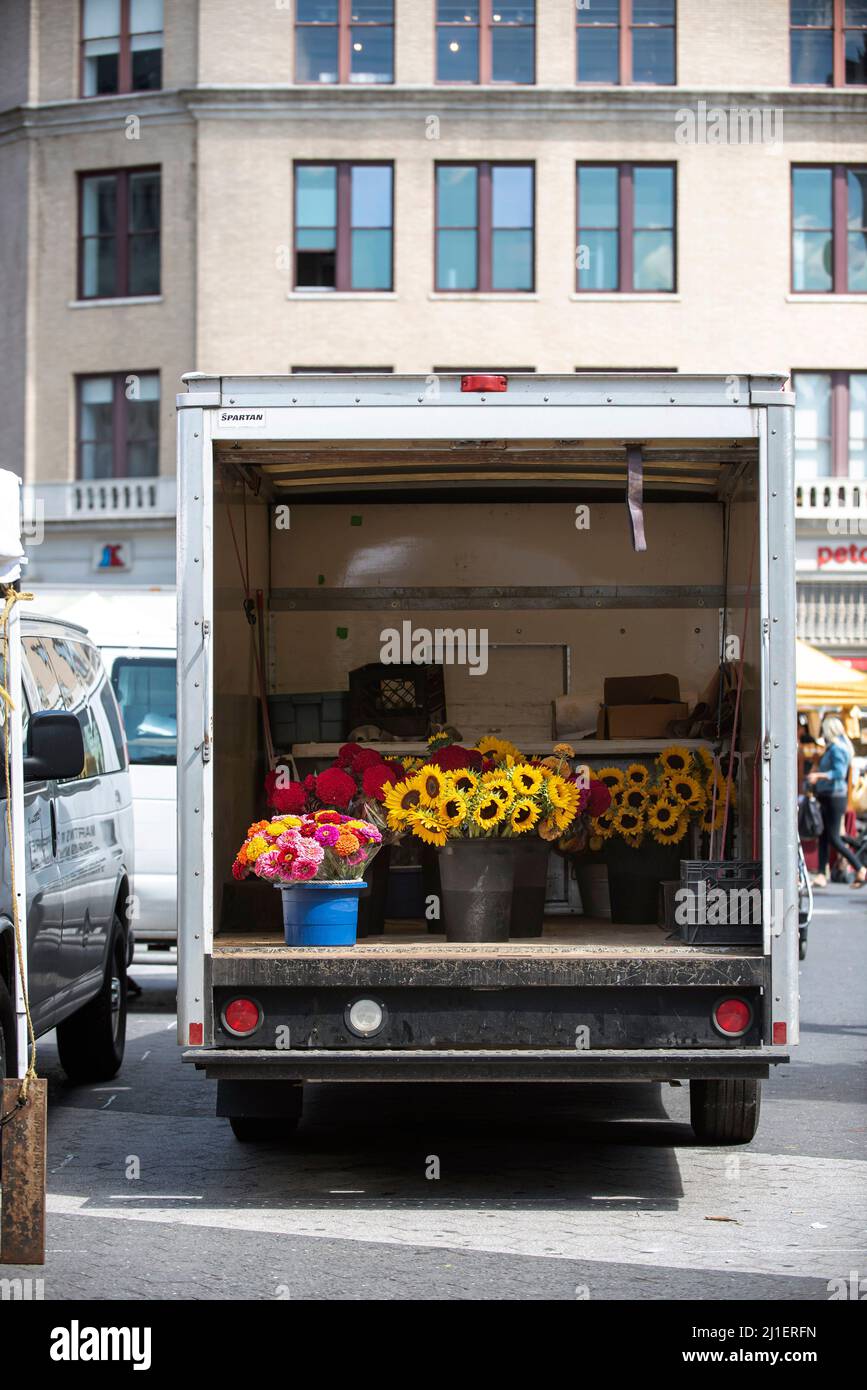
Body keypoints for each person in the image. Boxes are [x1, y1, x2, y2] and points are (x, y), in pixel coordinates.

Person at [807, 716, 866, 888]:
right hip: (829, 796)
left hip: (834, 796)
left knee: (833, 838)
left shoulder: (837, 749)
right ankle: (820, 874)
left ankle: (860, 868)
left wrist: (818, 776)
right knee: (825, 836)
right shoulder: (835, 747)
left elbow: (839, 773)